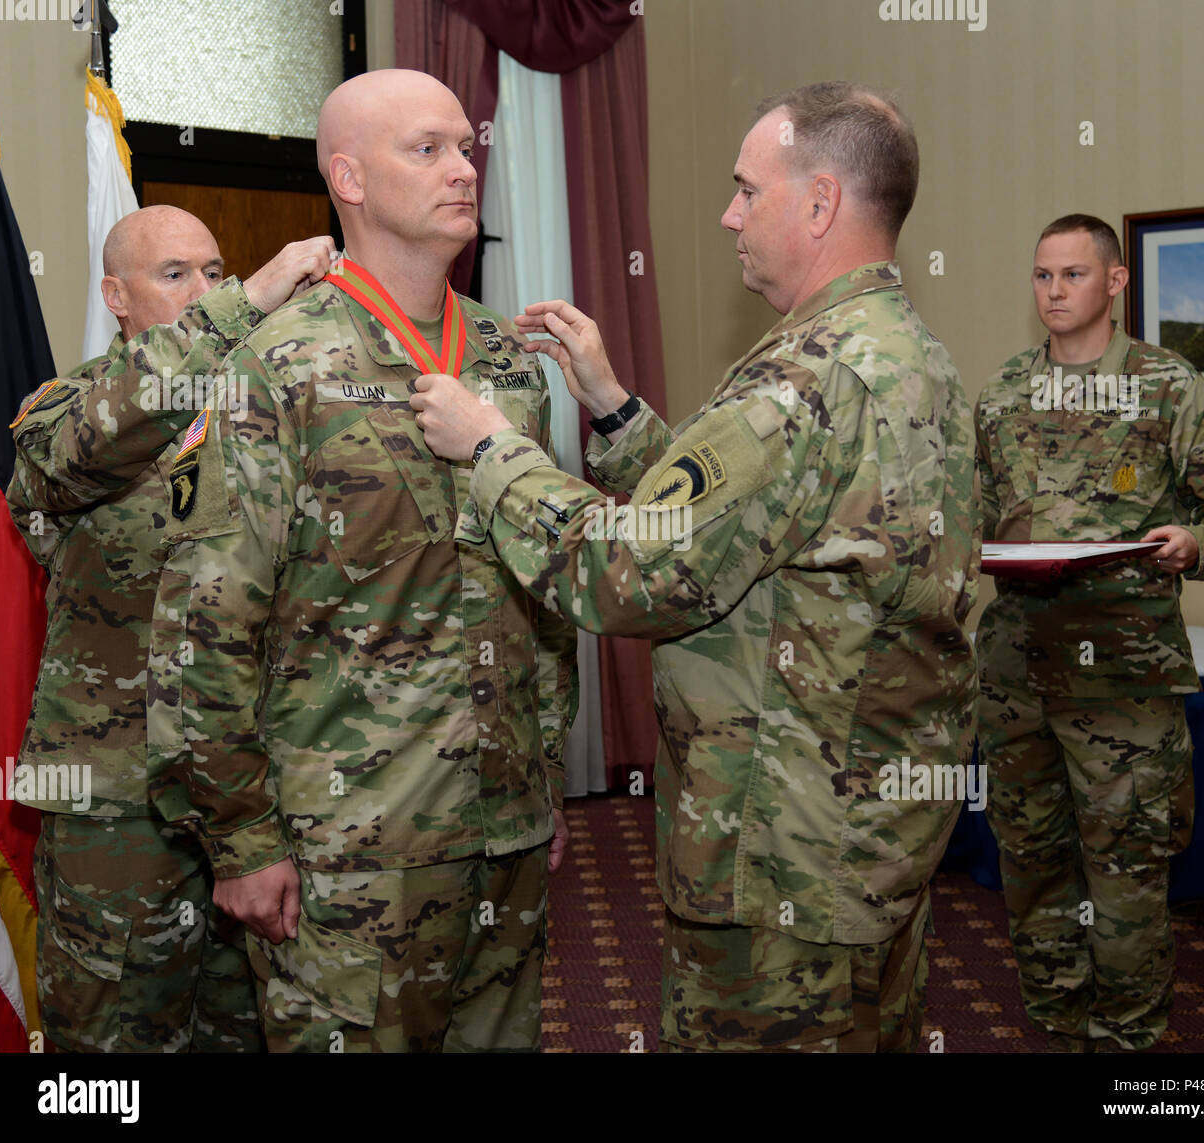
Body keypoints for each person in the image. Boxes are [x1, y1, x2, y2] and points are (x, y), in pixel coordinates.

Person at [410, 81, 979, 1052]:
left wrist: (492, 447)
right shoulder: (909, 356)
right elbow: (757, 530)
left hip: (780, 867)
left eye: (745, 190)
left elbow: (624, 578)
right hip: (866, 841)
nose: (726, 214)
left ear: (818, 204)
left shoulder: (803, 378)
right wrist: (617, 410)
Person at [145, 70, 578, 1053]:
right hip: (346, 850)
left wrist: (542, 777)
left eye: (466, 147)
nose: (461, 170)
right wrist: (241, 840)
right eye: (425, 150)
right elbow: (200, 628)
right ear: (347, 176)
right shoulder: (275, 365)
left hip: (501, 830)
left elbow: (540, 595)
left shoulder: (507, 363)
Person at [8, 204, 334, 1051]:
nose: (204, 291)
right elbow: (77, 458)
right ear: (115, 295)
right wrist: (244, 306)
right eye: (175, 275)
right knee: (110, 1039)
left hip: (247, 793)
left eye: (217, 273)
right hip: (112, 795)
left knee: (243, 1025)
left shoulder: (257, 409)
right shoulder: (71, 407)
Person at [973, 214, 1204, 1052]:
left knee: (1128, 881)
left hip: (1126, 685)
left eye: (1072, 275)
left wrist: (1198, 543)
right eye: (1042, 276)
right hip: (1017, 674)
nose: (1055, 291)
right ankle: (1054, 1027)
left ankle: (1130, 1048)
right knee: (1030, 868)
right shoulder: (1001, 394)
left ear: (1114, 282)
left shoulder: (1168, 386)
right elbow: (969, 511)